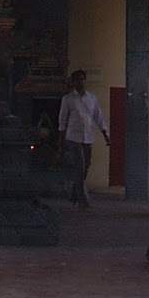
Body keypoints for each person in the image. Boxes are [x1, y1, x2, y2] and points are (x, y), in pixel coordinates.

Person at [56, 69, 109, 210]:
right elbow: (62, 122)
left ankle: (73, 192)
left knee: (85, 168)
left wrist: (105, 135)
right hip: (73, 138)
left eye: (82, 79)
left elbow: (98, 117)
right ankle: (83, 201)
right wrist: (61, 144)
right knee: (79, 168)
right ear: (73, 82)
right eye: (77, 79)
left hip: (88, 138)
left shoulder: (91, 99)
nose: (81, 82)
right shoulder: (67, 100)